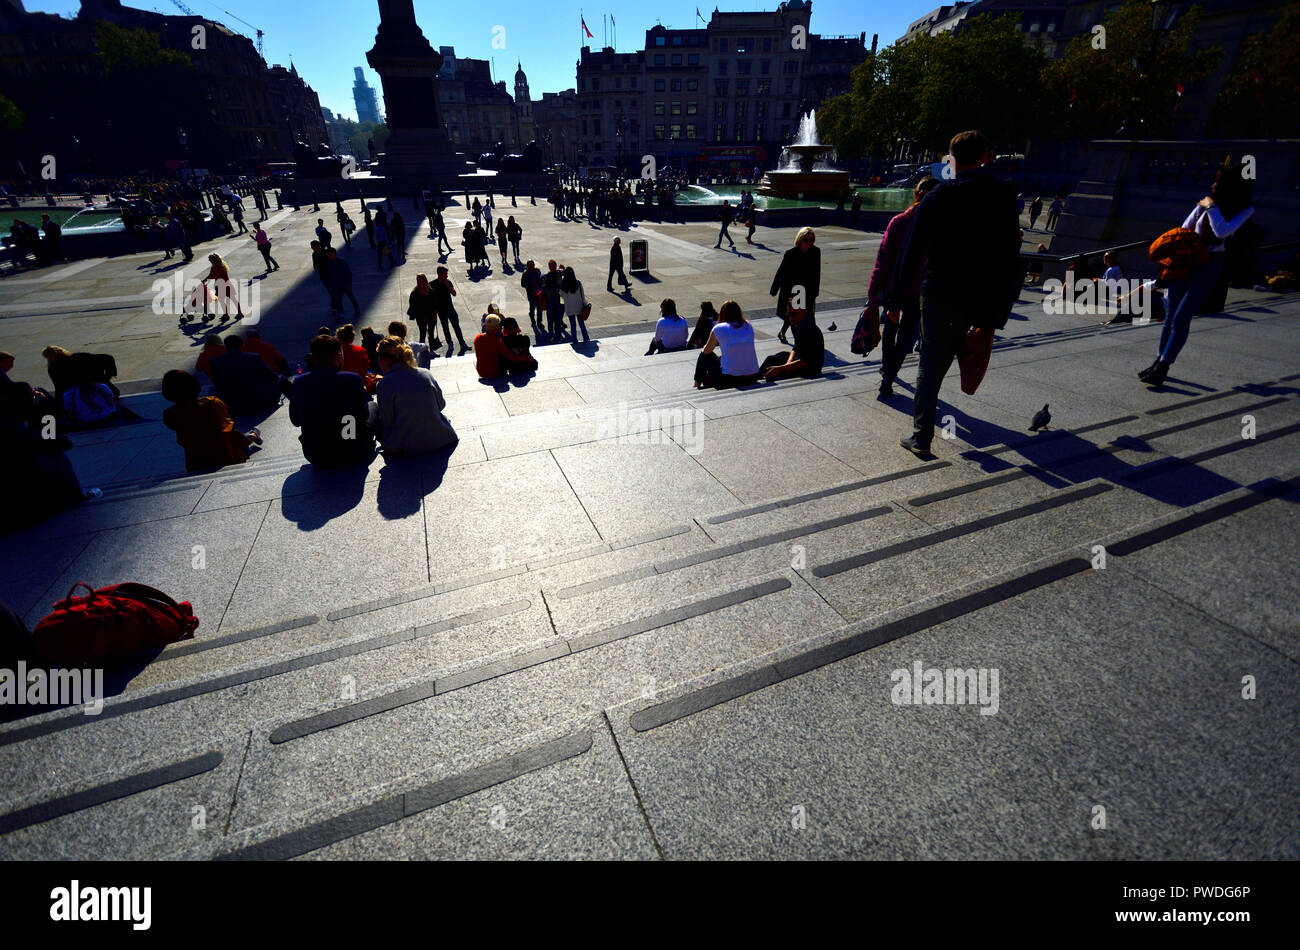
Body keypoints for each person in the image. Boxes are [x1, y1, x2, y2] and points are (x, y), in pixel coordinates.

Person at [895, 129, 1021, 456]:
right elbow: (1011, 250)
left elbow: (911, 252)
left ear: (951, 160)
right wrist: (999, 304)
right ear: (984, 157)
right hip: (981, 296)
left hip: (939, 291)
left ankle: (921, 436)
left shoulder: (938, 197)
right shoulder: (1003, 195)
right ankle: (963, 356)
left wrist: (894, 299)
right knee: (965, 347)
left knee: (930, 364)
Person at [1140, 164, 1255, 386]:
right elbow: (1184, 229)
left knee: (1183, 316)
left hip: (1210, 265)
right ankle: (1158, 361)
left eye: (1218, 182)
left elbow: (1223, 231)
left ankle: (1164, 365)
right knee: (1171, 315)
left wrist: (1211, 208)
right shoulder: (1204, 203)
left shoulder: (1243, 209)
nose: (1213, 185)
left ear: (1229, 186)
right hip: (1186, 261)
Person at [867, 175, 940, 398]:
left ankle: (887, 371)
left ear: (915, 194)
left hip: (893, 288)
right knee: (907, 337)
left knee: (890, 331)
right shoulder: (939, 227)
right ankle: (890, 373)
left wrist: (873, 293)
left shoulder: (899, 221)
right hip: (920, 291)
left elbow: (883, 259)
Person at [288, 334, 375, 467]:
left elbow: (296, 420)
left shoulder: (299, 382)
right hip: (352, 450)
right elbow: (364, 415)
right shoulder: (351, 379)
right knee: (372, 406)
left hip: (315, 455)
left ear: (314, 357)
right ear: (339, 355)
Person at [161, 369, 260, 471]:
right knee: (234, 436)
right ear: (193, 384)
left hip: (196, 463)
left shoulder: (170, 415)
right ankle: (252, 436)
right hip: (226, 456)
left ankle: (250, 436)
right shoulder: (212, 403)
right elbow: (229, 429)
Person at [374, 337, 458, 455]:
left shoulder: (384, 384)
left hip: (408, 444)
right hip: (441, 437)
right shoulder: (425, 373)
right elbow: (441, 405)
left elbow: (387, 421)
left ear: (384, 359)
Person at [208, 334, 282, 416]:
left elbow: (217, 384)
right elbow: (272, 376)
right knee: (281, 380)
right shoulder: (254, 358)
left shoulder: (214, 362)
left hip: (233, 408)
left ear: (225, 347)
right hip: (260, 404)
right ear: (241, 345)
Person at [770, 227, 821, 342]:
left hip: (806, 291)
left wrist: (815, 292)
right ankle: (795, 341)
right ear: (799, 240)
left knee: (801, 317)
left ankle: (798, 341)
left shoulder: (815, 252)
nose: (808, 243)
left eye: (811, 240)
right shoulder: (791, 253)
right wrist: (774, 289)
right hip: (791, 290)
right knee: (792, 316)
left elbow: (816, 273)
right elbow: (781, 272)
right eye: (806, 240)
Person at [694, 300, 759, 389]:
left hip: (730, 380)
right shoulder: (748, 325)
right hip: (753, 377)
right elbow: (740, 347)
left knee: (704, 354)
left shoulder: (719, 327)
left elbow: (706, 351)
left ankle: (696, 384)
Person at [760, 307, 824, 381]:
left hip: (810, 369)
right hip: (801, 361)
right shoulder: (800, 324)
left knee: (771, 363)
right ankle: (759, 375)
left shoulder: (807, 329)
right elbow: (796, 348)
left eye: (793, 314)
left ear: (803, 312)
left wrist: (781, 368)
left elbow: (805, 361)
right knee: (776, 357)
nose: (790, 318)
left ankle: (757, 377)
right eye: (788, 314)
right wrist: (789, 362)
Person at [432, 266, 469, 353]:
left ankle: (462, 343)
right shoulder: (433, 284)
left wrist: (448, 286)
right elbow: (431, 299)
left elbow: (454, 293)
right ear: (440, 274)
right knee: (445, 328)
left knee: (456, 326)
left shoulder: (448, 282)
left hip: (450, 308)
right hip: (441, 310)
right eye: (445, 274)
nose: (447, 275)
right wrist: (434, 311)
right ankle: (450, 343)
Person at [408, 273, 441, 346]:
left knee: (431, 333)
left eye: (421, 280)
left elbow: (435, 303)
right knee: (422, 334)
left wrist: (435, 314)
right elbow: (414, 307)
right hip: (421, 318)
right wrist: (422, 317)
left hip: (431, 315)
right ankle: (422, 350)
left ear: (425, 280)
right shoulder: (415, 293)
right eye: (418, 281)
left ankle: (432, 349)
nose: (419, 282)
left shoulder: (430, 290)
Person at [326, 248, 360, 317]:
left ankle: (356, 308)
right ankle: (341, 313)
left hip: (345, 284)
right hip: (336, 285)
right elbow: (329, 275)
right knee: (338, 300)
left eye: (330, 254)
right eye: (328, 254)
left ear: (334, 254)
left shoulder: (342, 262)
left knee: (351, 297)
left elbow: (348, 274)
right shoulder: (329, 263)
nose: (329, 255)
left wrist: (348, 284)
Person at [560, 266, 591, 343]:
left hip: (569, 308)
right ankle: (586, 337)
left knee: (573, 325)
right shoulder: (578, 283)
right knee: (581, 324)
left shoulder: (563, 285)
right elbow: (582, 295)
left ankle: (574, 339)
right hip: (579, 307)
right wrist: (585, 303)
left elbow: (561, 295)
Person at [542, 259, 566, 340]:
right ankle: (558, 335)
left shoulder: (545, 276)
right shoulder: (559, 273)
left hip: (550, 302)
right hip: (558, 301)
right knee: (558, 320)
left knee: (550, 321)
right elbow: (564, 270)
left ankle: (551, 335)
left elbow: (543, 288)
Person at [520, 259, 544, 331]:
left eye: (532, 264)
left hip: (538, 293)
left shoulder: (537, 271)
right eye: (530, 265)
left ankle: (539, 322)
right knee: (532, 308)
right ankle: (533, 320)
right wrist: (531, 284)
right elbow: (523, 284)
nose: (531, 266)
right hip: (531, 294)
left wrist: (540, 281)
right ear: (527, 266)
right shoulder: (525, 274)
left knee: (540, 309)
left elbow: (542, 278)